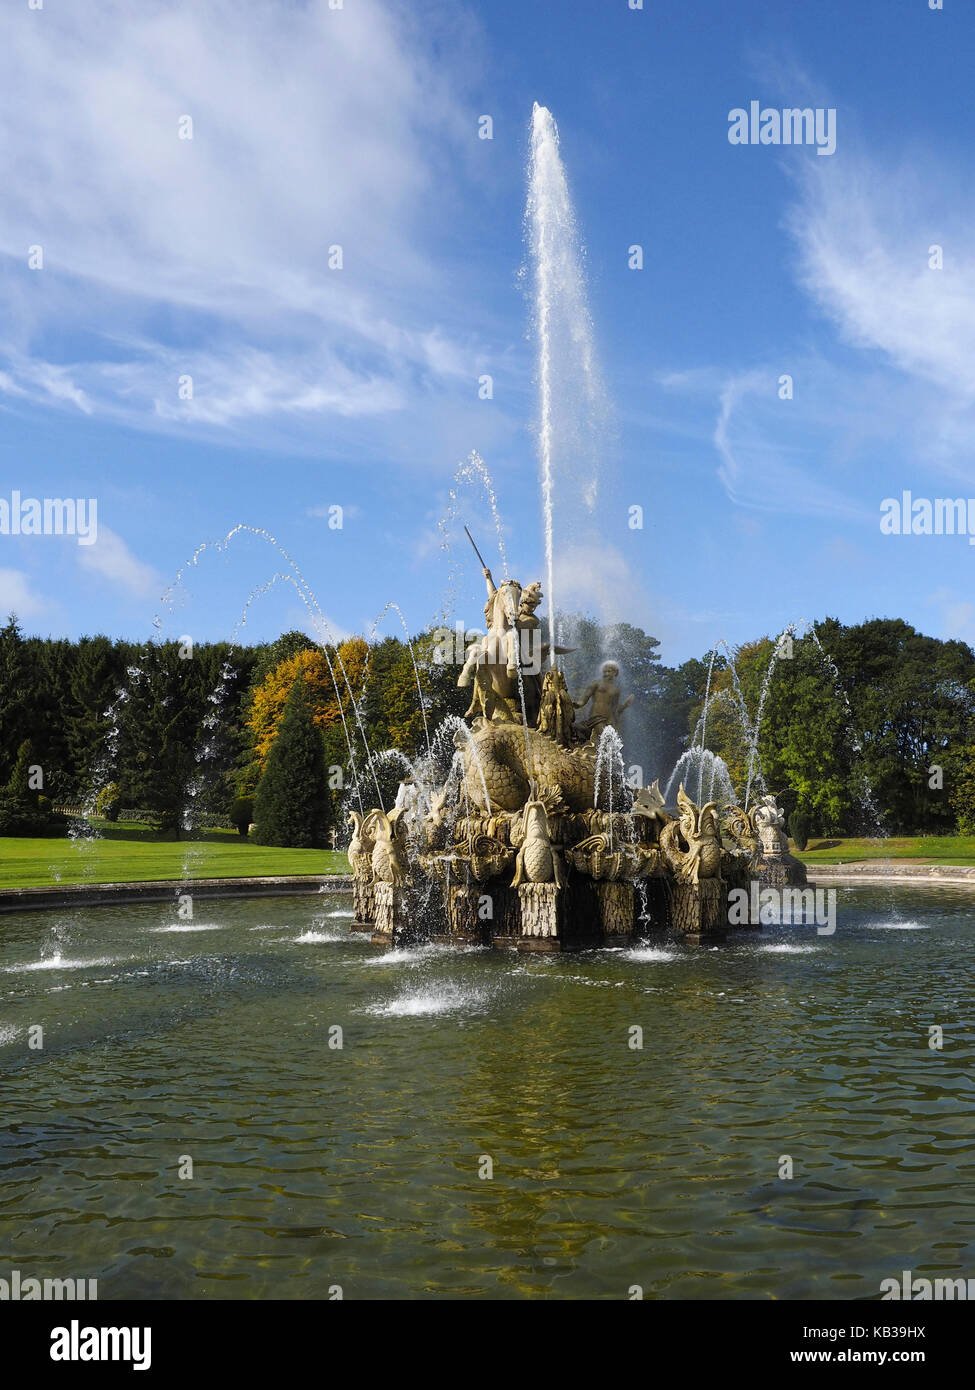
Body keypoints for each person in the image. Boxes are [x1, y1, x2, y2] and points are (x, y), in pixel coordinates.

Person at [573, 661, 633, 743]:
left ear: (615, 672)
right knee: (605, 738)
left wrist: (625, 705)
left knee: (612, 742)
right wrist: (579, 704)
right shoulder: (597, 683)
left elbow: (615, 707)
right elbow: (586, 695)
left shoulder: (616, 689)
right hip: (597, 715)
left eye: (608, 671)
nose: (606, 674)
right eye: (604, 672)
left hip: (610, 718)